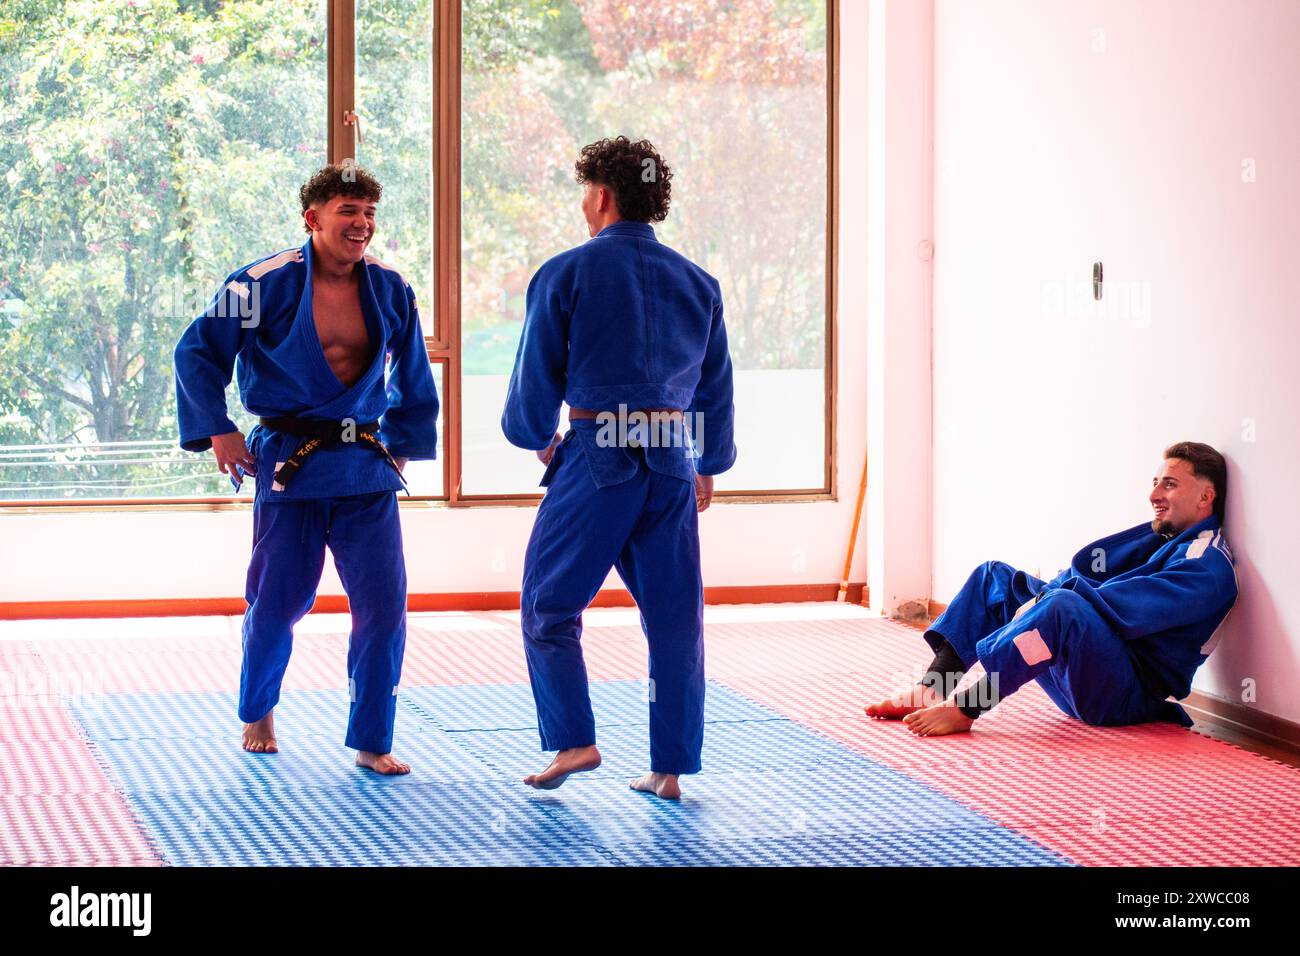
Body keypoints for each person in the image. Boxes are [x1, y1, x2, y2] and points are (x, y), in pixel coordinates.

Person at [173, 163, 439, 774]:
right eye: (348, 211)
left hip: (365, 469)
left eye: (369, 213)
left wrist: (402, 442)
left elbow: (414, 377)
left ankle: (373, 738)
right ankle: (259, 709)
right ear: (312, 217)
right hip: (289, 465)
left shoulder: (391, 288)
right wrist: (218, 429)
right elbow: (196, 352)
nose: (362, 224)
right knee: (276, 602)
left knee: (383, 606)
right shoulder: (262, 282)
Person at [502, 136, 737, 800]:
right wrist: (710, 464)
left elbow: (534, 382)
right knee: (674, 620)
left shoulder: (567, 272)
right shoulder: (699, 282)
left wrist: (535, 436)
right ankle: (670, 769)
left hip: (597, 458)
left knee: (549, 606)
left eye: (586, 192)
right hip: (672, 463)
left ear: (602, 195)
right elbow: (716, 388)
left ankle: (575, 740)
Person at [866, 441, 1238, 736]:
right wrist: (1035, 601)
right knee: (993, 578)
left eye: (1169, 484)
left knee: (1061, 607)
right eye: (1155, 483)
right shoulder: (1165, 537)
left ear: (1206, 497)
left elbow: (1118, 611)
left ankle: (967, 708)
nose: (1155, 494)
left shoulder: (1206, 567)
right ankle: (933, 686)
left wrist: (1041, 606)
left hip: (1119, 696)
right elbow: (1084, 572)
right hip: (1083, 672)